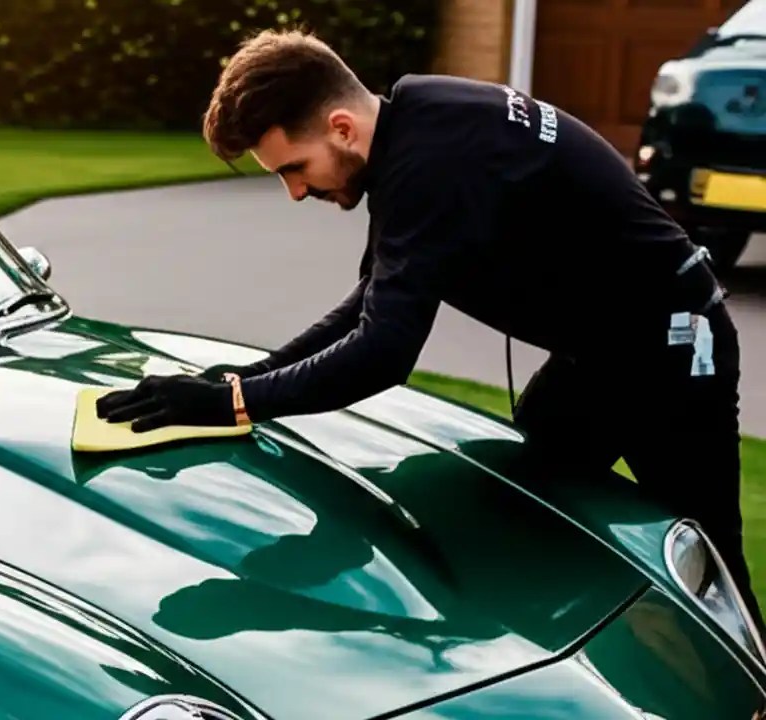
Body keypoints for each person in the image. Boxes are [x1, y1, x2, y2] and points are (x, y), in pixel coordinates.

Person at [95, 28, 764, 633]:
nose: (296, 193)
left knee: (711, 569)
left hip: (673, 347)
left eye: (294, 169)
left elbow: (384, 352)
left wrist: (231, 404)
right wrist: (240, 383)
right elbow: (367, 306)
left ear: (339, 127)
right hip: (601, 352)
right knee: (521, 510)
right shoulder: (415, 127)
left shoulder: (428, 163)